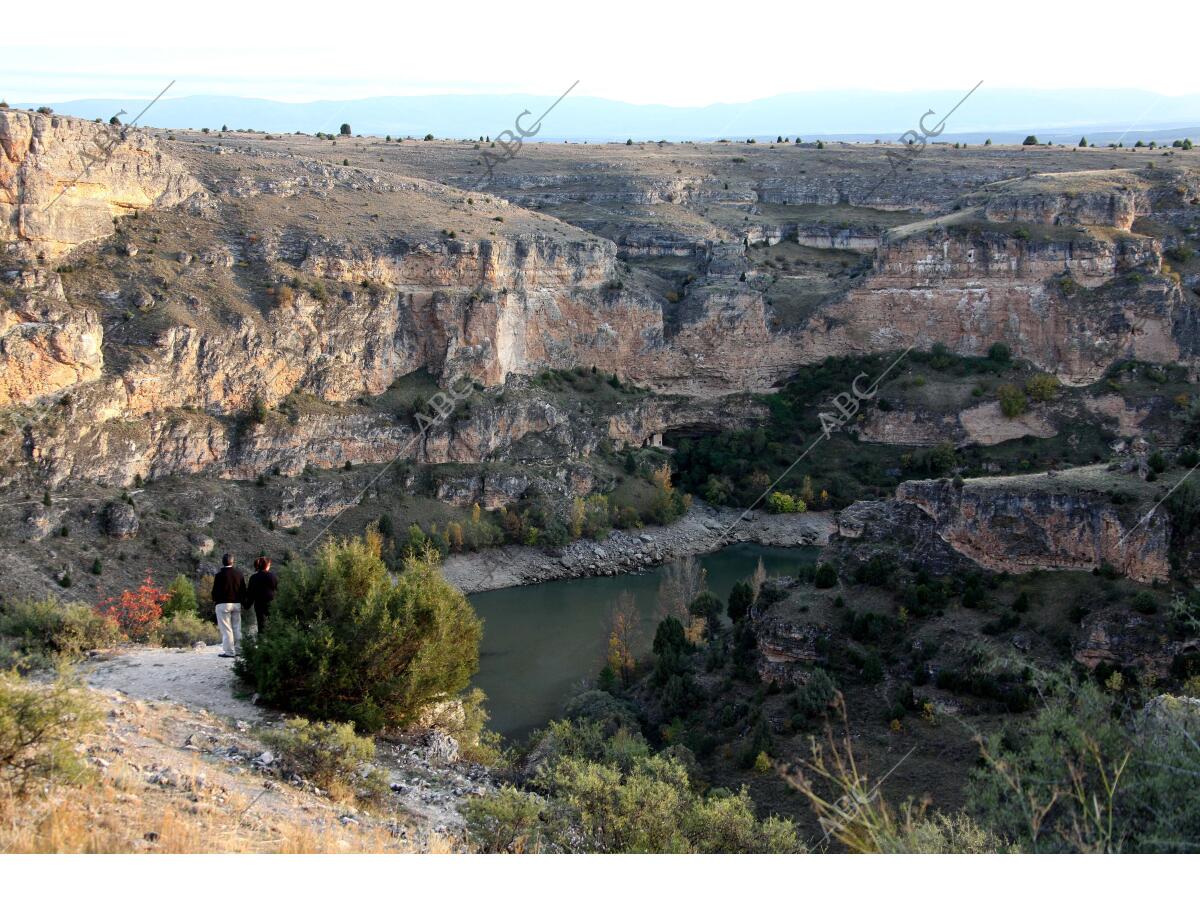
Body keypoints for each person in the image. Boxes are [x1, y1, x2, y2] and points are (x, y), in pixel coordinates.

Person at [211, 552, 246, 658]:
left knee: (227, 629)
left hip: (223, 604)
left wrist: (215, 600)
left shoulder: (219, 575)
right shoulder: (239, 574)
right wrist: (243, 602)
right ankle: (239, 650)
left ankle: (229, 652)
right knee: (237, 628)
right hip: (236, 604)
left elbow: (215, 591)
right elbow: (243, 590)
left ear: (223, 562)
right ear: (232, 561)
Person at [247, 556, 278, 634]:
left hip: (258, 605)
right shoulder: (272, 576)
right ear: (267, 565)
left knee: (261, 626)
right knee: (273, 625)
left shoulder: (253, 578)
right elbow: (277, 590)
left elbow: (250, 593)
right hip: (271, 604)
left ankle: (261, 644)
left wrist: (247, 605)